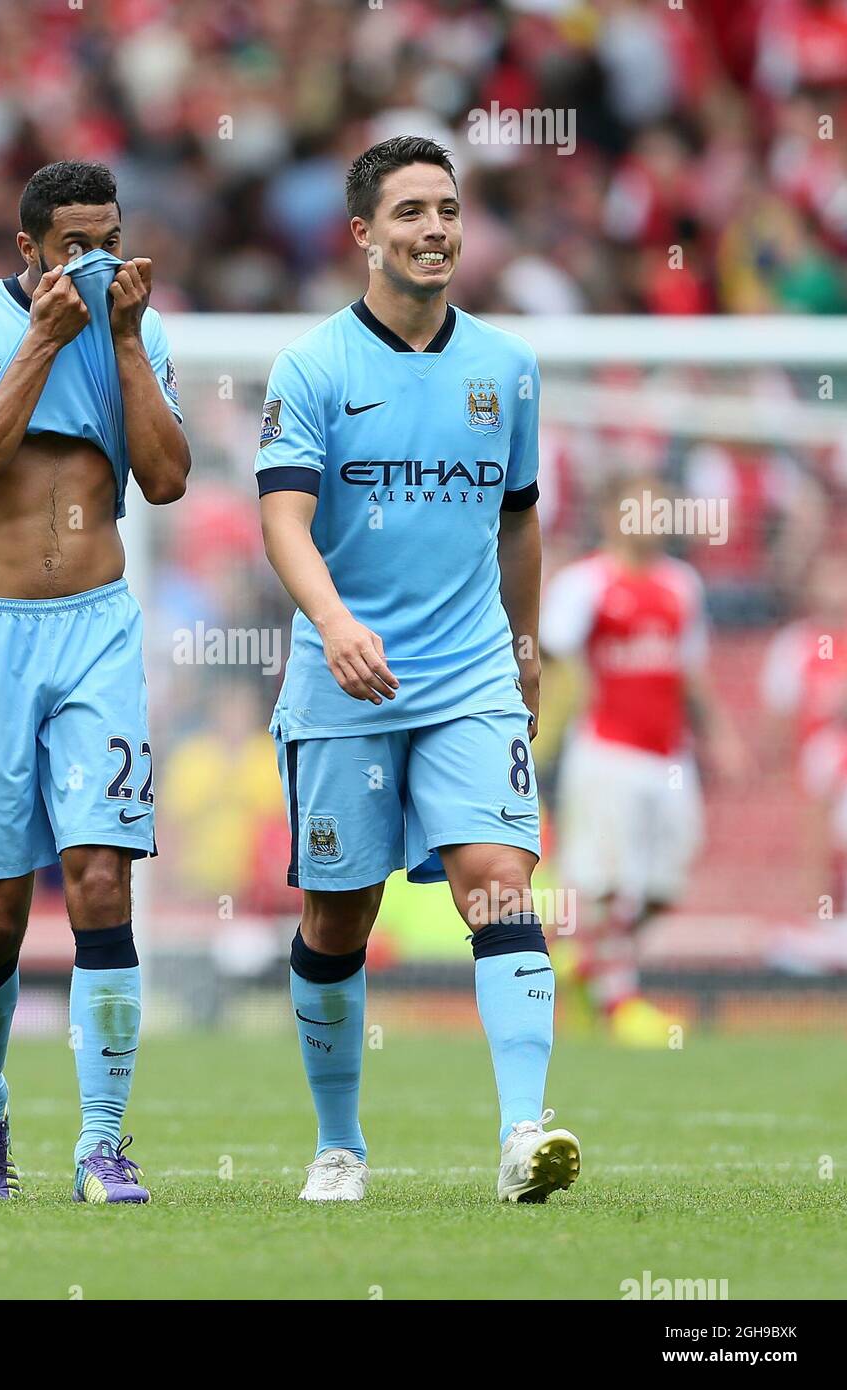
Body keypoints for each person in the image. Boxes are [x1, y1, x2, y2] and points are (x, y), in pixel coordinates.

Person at [256, 136, 579, 1204]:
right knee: (337, 915)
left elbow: (518, 524)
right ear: (361, 234)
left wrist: (525, 649)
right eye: (410, 213)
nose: (435, 229)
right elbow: (283, 519)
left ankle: (523, 1134)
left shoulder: (506, 368)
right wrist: (335, 622)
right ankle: (339, 1145)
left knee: (498, 881)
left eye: (447, 209)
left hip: (470, 673)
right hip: (343, 677)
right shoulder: (313, 368)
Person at [0, 161, 190, 1202]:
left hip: (95, 632)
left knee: (101, 880)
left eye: (108, 235)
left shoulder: (140, 329)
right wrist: (45, 338)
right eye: (72, 243)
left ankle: (102, 1143)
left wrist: (121, 342)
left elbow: (163, 478)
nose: (95, 258)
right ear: (27, 249)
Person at [542, 476, 743, 1046]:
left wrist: (721, 733)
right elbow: (553, 656)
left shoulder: (683, 584)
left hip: (668, 755)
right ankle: (620, 1004)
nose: (652, 520)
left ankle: (586, 966)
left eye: (661, 509)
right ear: (610, 516)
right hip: (608, 751)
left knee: (662, 887)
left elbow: (690, 669)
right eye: (640, 509)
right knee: (610, 885)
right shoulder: (585, 583)